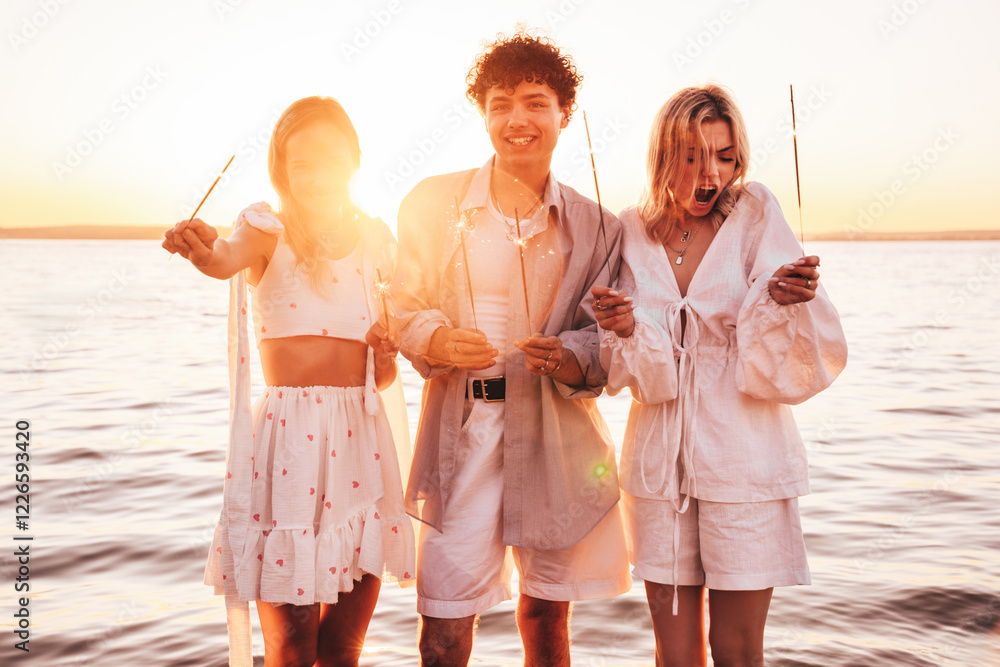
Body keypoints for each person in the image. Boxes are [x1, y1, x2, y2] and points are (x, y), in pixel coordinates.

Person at [391, 30, 631, 666]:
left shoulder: (599, 225)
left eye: (534, 101)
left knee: (547, 614)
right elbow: (400, 303)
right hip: (463, 429)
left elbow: (607, 334)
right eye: (500, 104)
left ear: (563, 114)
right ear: (484, 115)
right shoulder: (429, 203)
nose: (517, 119)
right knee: (442, 621)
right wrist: (436, 337)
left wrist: (570, 352)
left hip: (558, 438)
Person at [592, 84, 848, 666]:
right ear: (663, 155)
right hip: (659, 463)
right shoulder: (629, 229)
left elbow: (793, 354)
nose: (709, 174)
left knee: (736, 651)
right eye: (691, 156)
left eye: (724, 156)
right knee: (674, 654)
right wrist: (626, 328)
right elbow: (636, 374)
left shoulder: (755, 211)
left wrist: (784, 300)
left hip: (744, 454)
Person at [162, 96, 414, 667]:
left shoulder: (377, 240)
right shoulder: (264, 228)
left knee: (342, 646)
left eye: (330, 159)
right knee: (292, 644)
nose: (318, 174)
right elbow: (223, 259)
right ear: (282, 171)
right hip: (288, 447)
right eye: (301, 164)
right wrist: (199, 244)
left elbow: (385, 373)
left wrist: (385, 353)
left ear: (354, 159)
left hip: (360, 444)